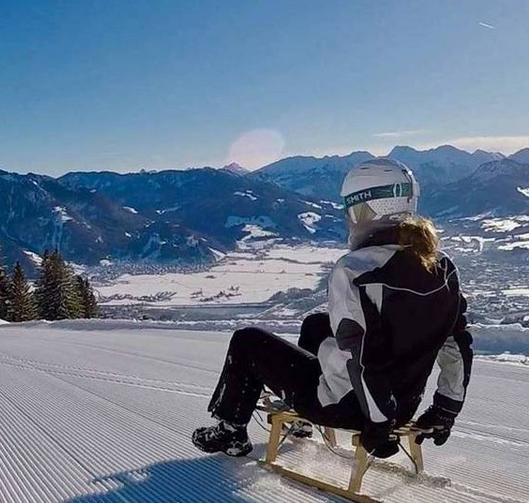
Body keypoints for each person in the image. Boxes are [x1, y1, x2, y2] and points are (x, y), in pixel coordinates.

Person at [193, 158, 472, 459]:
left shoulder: (355, 270)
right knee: (316, 325)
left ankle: (230, 430)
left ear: (368, 207)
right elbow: (456, 344)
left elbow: (364, 358)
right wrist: (445, 410)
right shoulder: (441, 267)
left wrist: (379, 424)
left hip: (353, 408)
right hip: (402, 405)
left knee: (246, 341)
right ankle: (299, 421)